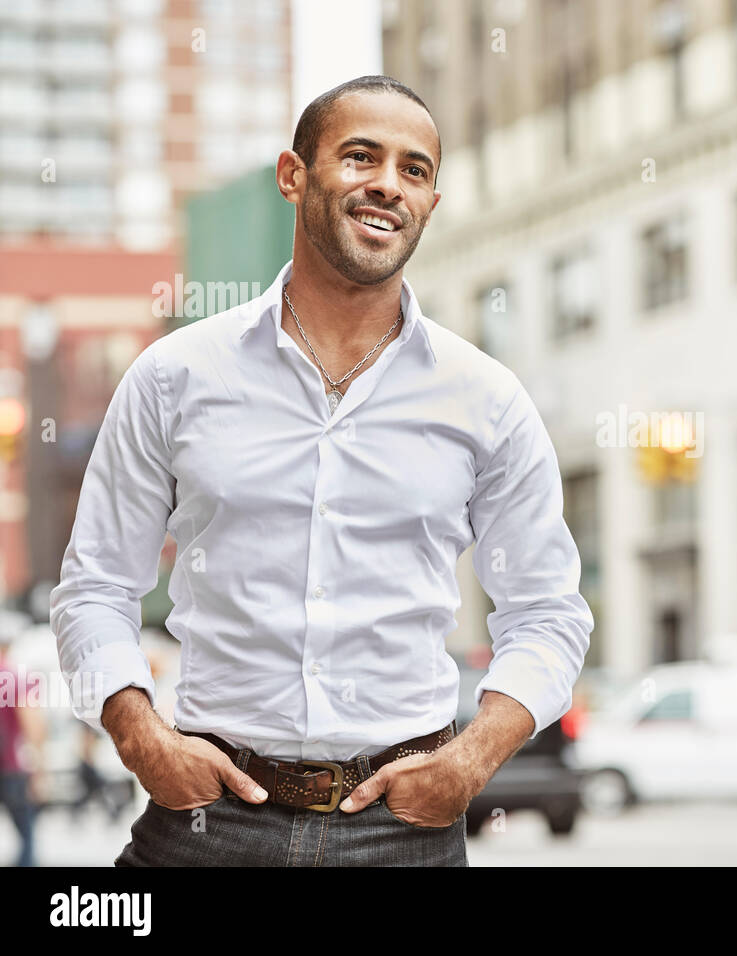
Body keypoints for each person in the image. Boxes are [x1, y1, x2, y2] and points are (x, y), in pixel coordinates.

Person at [50, 75, 594, 867]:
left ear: (431, 205)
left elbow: (548, 611)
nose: (388, 184)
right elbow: (96, 585)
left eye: (414, 170)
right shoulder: (176, 377)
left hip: (403, 830)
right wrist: (142, 740)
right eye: (360, 156)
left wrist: (470, 763)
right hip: (210, 820)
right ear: (293, 175)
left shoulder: (487, 398)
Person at [0, 633, 46, 867]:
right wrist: (38, 769)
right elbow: (32, 723)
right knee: (26, 836)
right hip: (11, 766)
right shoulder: (14, 677)